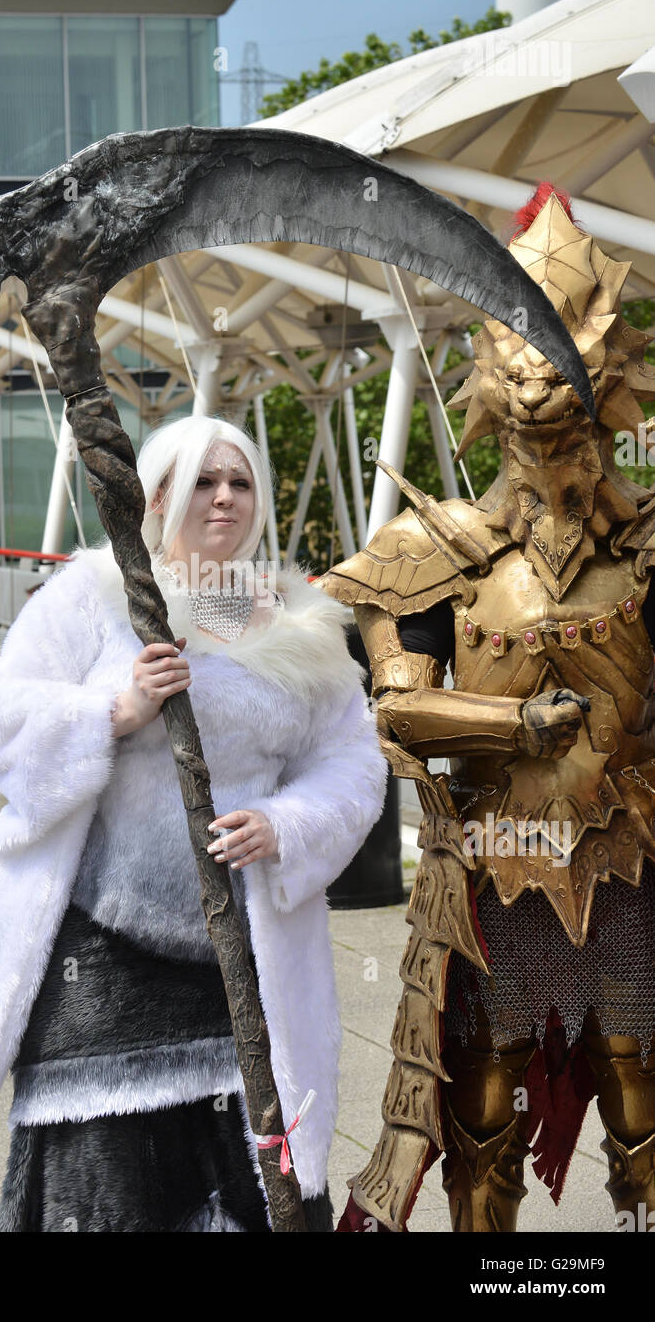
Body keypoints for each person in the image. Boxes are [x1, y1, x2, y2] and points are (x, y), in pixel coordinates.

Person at [0, 413, 387, 1231]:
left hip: (243, 959)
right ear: (157, 493)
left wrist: (284, 823)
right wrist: (114, 709)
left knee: (256, 1172)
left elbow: (353, 761)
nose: (225, 497)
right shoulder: (93, 596)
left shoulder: (297, 620)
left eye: (241, 482)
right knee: (106, 1191)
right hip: (100, 961)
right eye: (203, 481)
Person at [322, 185, 655, 1233]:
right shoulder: (430, 558)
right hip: (490, 878)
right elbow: (396, 717)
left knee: (645, 1112)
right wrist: (512, 727)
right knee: (479, 1119)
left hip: (635, 863)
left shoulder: (643, 551)